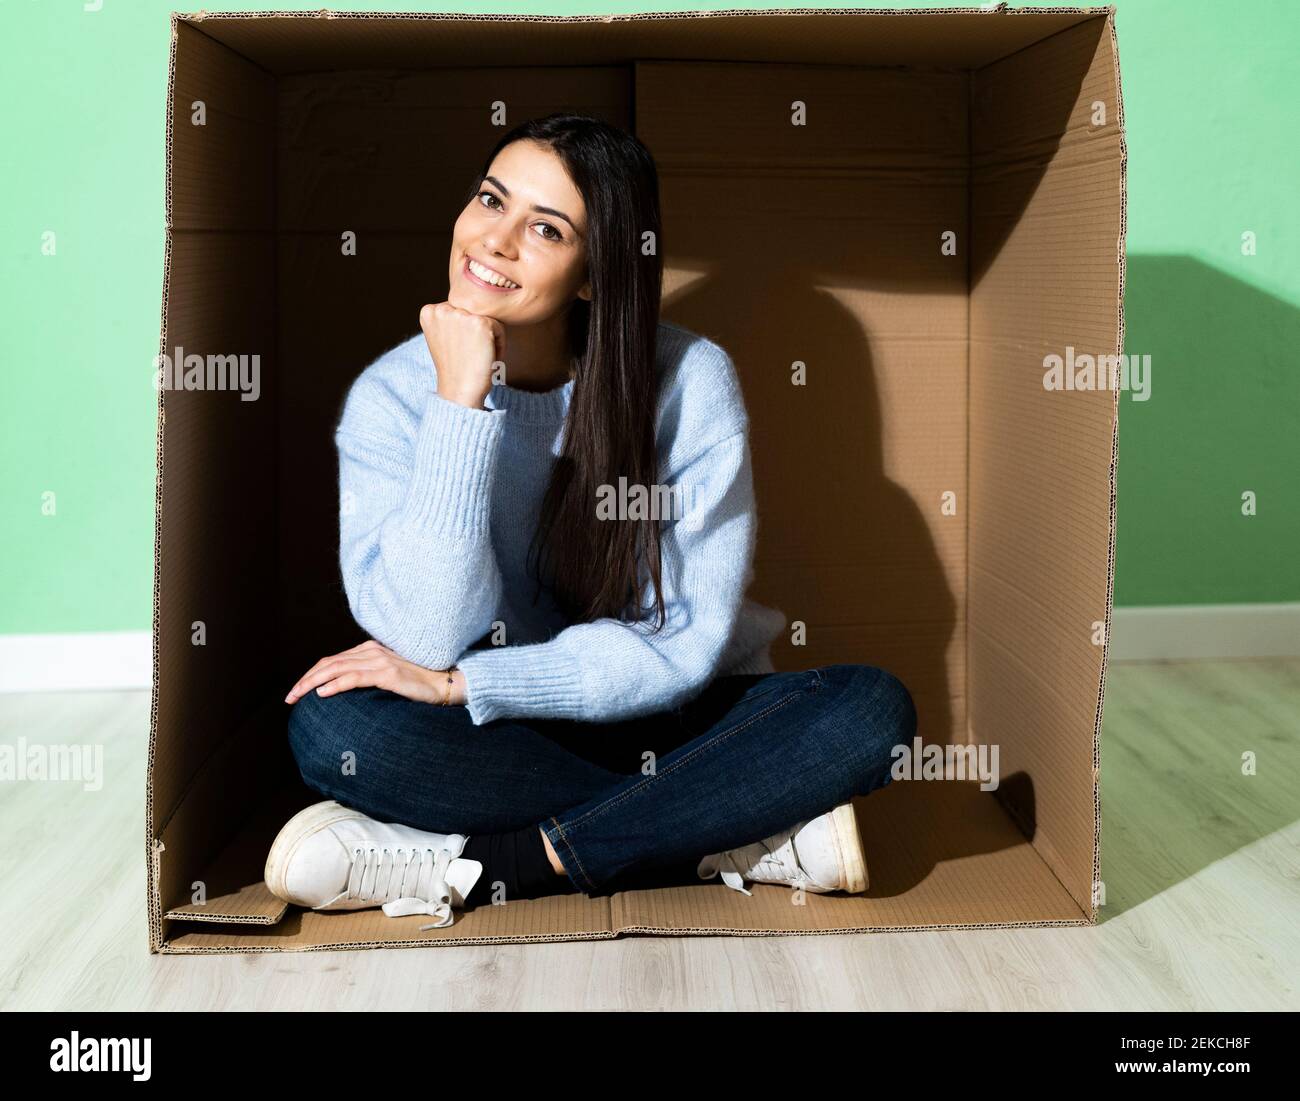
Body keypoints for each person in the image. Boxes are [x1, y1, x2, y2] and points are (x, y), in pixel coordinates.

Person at [264, 113, 917, 929]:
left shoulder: (687, 381)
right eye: (489, 200)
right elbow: (428, 633)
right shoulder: (393, 397)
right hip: (516, 737)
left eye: (544, 228)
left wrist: (470, 680)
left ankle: (500, 862)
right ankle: (725, 831)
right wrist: (459, 404)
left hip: (675, 710)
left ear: (591, 273)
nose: (495, 240)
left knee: (872, 713)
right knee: (331, 727)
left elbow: (680, 643)